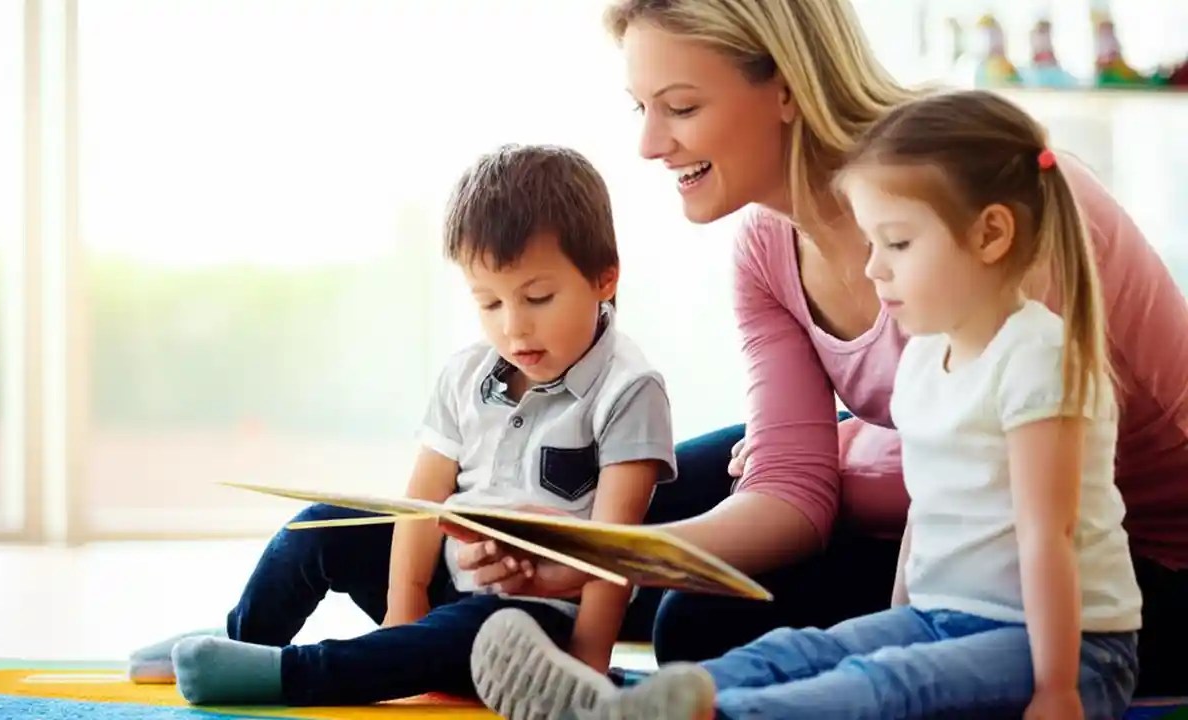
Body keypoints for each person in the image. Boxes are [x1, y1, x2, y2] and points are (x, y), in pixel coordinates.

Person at [453, 0, 1188, 698]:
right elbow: (792, 488)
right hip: (969, 520)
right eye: (640, 108)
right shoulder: (765, 247)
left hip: (1123, 557)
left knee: (699, 623)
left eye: (680, 107)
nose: (649, 144)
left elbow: (987, 477)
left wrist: (852, 453)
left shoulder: (978, 203)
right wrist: (588, 556)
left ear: (786, 87)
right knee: (649, 544)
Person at [126, 143, 678, 706]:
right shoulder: (465, 373)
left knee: (469, 632)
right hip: (443, 581)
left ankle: (288, 674)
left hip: (534, 621)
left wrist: (585, 669)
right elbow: (422, 503)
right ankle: (243, 638)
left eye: (538, 297)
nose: (514, 328)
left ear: (604, 278)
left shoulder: (630, 389)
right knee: (322, 526)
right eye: (489, 303)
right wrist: (405, 605)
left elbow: (616, 553)